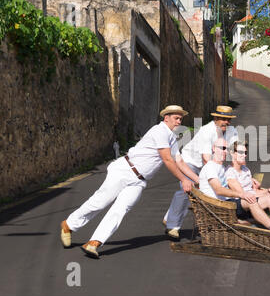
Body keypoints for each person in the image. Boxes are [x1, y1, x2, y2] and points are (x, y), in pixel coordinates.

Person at [60, 105, 196, 258]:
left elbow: (180, 161)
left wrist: (198, 180)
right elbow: (167, 159)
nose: (179, 122)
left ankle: (94, 243)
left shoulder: (172, 138)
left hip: (139, 181)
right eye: (176, 118)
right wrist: (184, 180)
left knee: (120, 210)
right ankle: (69, 225)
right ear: (166, 118)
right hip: (124, 170)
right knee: (100, 202)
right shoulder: (160, 131)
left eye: (180, 119)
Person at [163, 105, 239, 240]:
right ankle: (172, 226)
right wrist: (208, 178)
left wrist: (236, 172)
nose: (226, 122)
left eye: (229, 119)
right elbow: (206, 158)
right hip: (190, 162)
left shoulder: (231, 130)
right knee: (187, 189)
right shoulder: (206, 130)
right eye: (223, 119)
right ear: (215, 118)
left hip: (210, 163)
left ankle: (169, 217)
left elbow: (235, 151)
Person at [199, 138, 270, 232]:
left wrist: (252, 180)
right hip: (218, 207)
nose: (225, 151)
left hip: (229, 203)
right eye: (222, 148)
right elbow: (218, 189)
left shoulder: (222, 168)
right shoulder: (211, 167)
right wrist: (242, 194)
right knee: (250, 200)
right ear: (214, 148)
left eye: (227, 149)